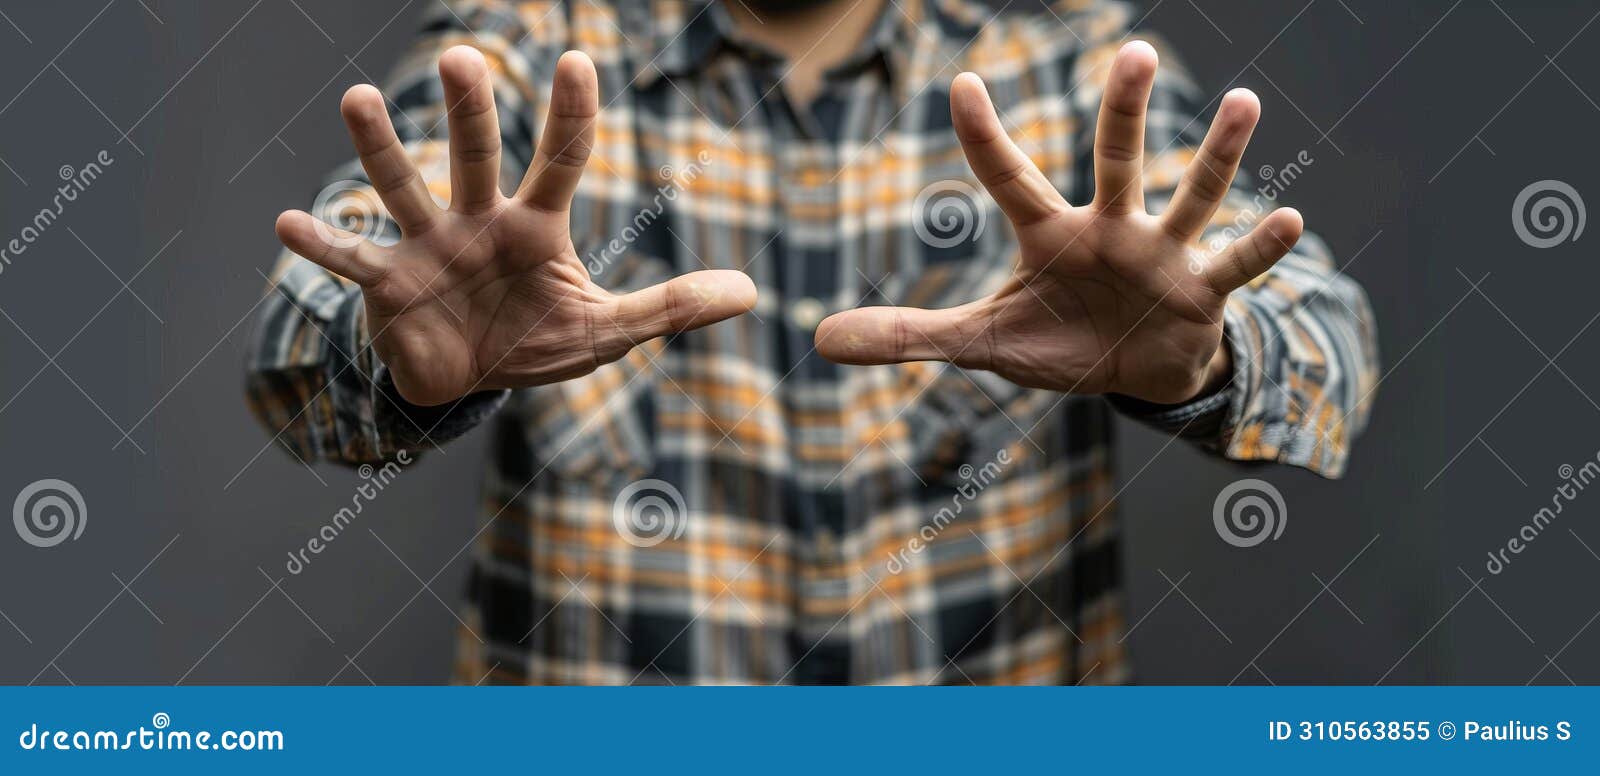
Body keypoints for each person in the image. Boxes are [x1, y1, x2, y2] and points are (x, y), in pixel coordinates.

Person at [247, 0, 1377, 684]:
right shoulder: (529, 49)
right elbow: (296, 349)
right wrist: (385, 348)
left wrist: (1210, 357)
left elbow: (1328, 347)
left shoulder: (1071, 61)